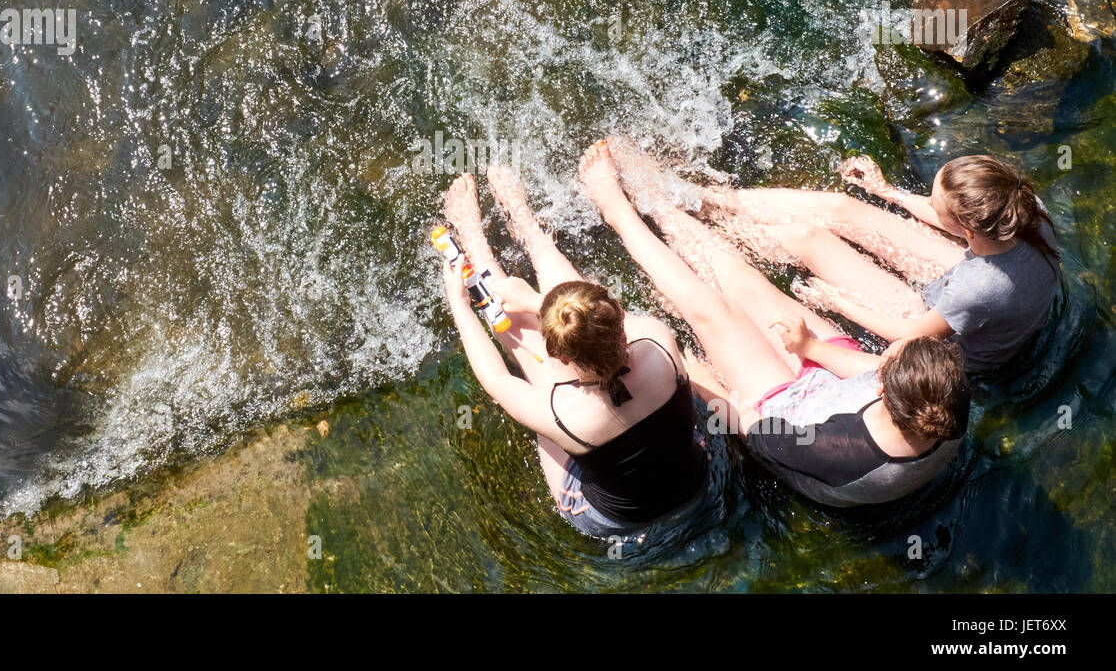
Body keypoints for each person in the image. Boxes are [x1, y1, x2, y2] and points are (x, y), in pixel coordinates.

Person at [578, 140, 969, 507]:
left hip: (782, 417)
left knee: (709, 309)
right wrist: (810, 349)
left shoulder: (830, 453)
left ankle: (619, 212)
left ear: (883, 387)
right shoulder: (947, 401)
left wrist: (691, 371)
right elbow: (879, 368)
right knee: (742, 279)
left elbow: (744, 423)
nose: (887, 353)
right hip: (839, 385)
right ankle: (663, 204)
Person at [440, 166, 709, 539]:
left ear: (562, 354)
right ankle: (529, 227)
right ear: (620, 320)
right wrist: (539, 305)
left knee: (541, 375)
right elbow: (587, 319)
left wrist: (459, 303)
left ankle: (476, 244)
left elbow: (497, 380)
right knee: (575, 308)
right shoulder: (656, 340)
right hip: (693, 482)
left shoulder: (563, 413)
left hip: (613, 521)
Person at [692, 152, 1061, 376]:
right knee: (841, 208)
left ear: (966, 230)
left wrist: (838, 302)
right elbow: (952, 219)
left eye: (933, 205)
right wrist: (887, 192)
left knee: (807, 239)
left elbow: (909, 333)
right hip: (974, 279)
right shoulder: (1022, 209)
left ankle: (702, 227)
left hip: (950, 337)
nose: (927, 206)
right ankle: (706, 198)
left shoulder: (978, 288)